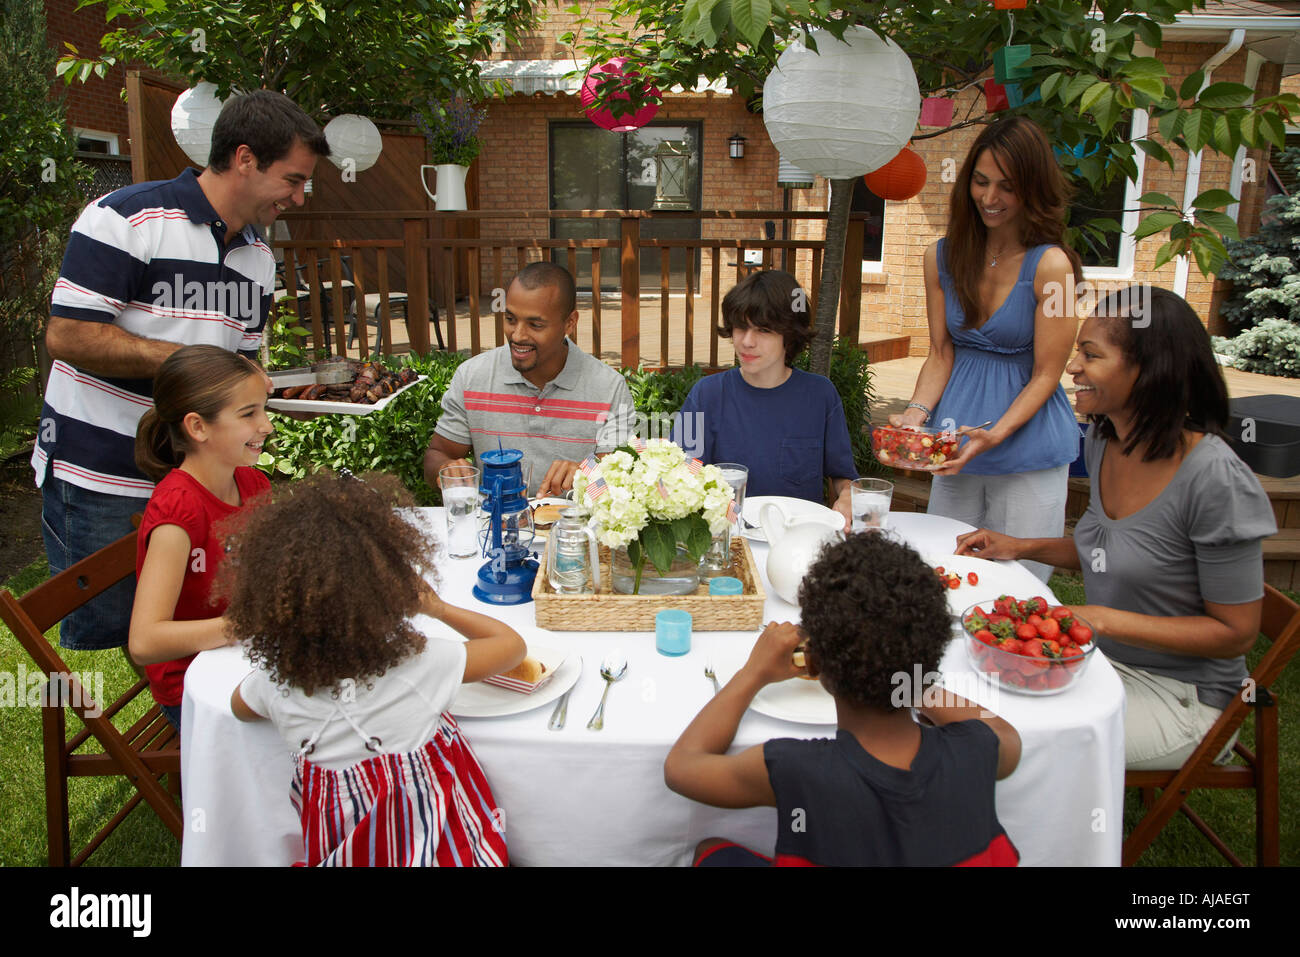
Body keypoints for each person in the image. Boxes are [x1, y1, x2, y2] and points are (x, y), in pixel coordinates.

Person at [34, 89, 329, 652]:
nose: (298, 196)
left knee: (190, 616)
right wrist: (187, 363)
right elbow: (67, 335)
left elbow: (239, 360)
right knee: (117, 631)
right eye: (292, 180)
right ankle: (160, 733)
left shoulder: (258, 259)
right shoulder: (126, 218)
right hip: (104, 468)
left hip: (193, 477)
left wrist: (252, 385)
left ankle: (185, 722)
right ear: (245, 159)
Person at [954, 287, 1275, 770]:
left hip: (1186, 698)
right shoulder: (1105, 441)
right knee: (963, 686)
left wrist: (1098, 620)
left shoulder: (1216, 480)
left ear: (1147, 369)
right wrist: (1018, 546)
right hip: (1100, 662)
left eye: (1091, 354)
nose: (1072, 366)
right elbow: (1107, 549)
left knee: (1006, 739)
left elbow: (1235, 632)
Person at [225, 471, 526, 867]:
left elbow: (238, 706)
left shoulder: (274, 686)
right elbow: (512, 648)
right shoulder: (418, 668)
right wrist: (437, 607)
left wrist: (282, 664)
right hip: (441, 851)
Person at [664, 533, 1021, 866]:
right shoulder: (980, 750)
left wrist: (752, 673)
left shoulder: (795, 768)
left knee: (710, 849)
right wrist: (909, 680)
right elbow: (1006, 735)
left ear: (814, 661)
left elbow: (681, 769)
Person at [891, 117, 1082, 581]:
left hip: (1026, 443)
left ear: (1033, 190)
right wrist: (916, 416)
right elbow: (940, 352)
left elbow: (1047, 374)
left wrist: (996, 434)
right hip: (955, 442)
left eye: (1006, 187)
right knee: (944, 567)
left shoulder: (1053, 266)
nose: (989, 198)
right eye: (980, 182)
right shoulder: (940, 256)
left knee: (1020, 581)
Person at [129, 345, 274, 730]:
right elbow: (144, 641)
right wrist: (244, 625)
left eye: (263, 409)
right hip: (197, 689)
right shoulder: (178, 510)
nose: (267, 426)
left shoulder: (252, 483)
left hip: (247, 658)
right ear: (197, 427)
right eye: (249, 414)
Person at [424, 261, 636, 498]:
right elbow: (438, 454)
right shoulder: (471, 377)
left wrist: (586, 475)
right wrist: (445, 470)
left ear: (569, 323)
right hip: (494, 528)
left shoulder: (609, 388)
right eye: (511, 319)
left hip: (575, 531)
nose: (517, 335)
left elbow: (621, 480)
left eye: (535, 325)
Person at [673, 270, 857, 528]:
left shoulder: (820, 395)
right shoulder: (706, 395)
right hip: (726, 542)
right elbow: (678, 475)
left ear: (790, 335)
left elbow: (842, 476)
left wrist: (849, 495)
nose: (747, 342)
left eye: (763, 330)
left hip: (798, 542)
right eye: (740, 327)